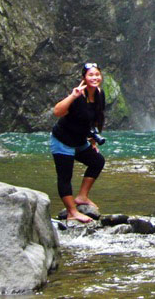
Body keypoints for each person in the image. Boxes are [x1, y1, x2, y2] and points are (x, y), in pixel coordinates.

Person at [51, 62, 107, 224]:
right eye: (91, 75)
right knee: (65, 176)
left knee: (97, 161)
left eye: (97, 74)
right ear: (84, 78)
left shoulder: (99, 94)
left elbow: (97, 117)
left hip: (80, 140)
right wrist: (73, 95)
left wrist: (93, 140)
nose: (94, 77)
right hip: (63, 140)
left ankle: (82, 196)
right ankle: (72, 212)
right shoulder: (77, 96)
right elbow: (57, 112)